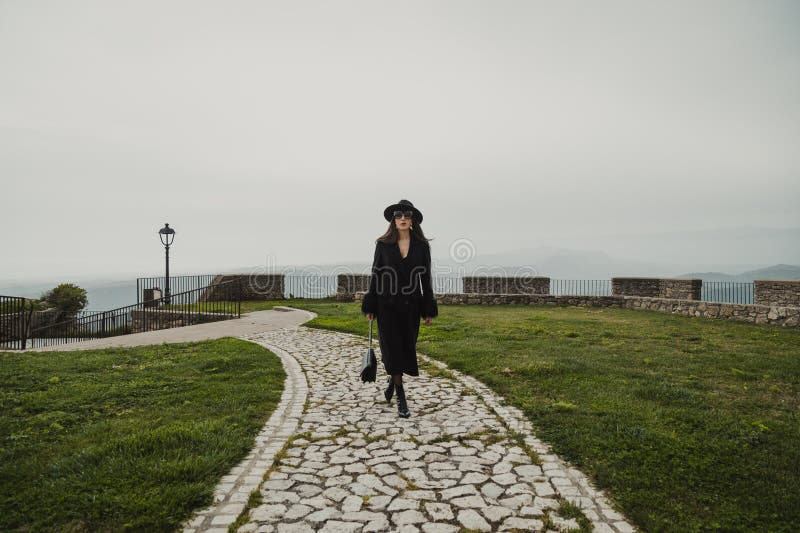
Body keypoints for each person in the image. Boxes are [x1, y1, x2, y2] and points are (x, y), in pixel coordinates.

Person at [361, 199, 438, 418]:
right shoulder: (383, 244)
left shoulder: (422, 247)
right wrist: (371, 305)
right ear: (393, 220)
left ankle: (392, 382)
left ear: (412, 220)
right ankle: (401, 397)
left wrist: (427, 309)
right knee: (391, 349)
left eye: (407, 215)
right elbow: (376, 275)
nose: (402, 218)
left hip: (411, 306)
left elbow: (426, 278)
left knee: (406, 348)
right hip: (386, 306)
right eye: (398, 215)